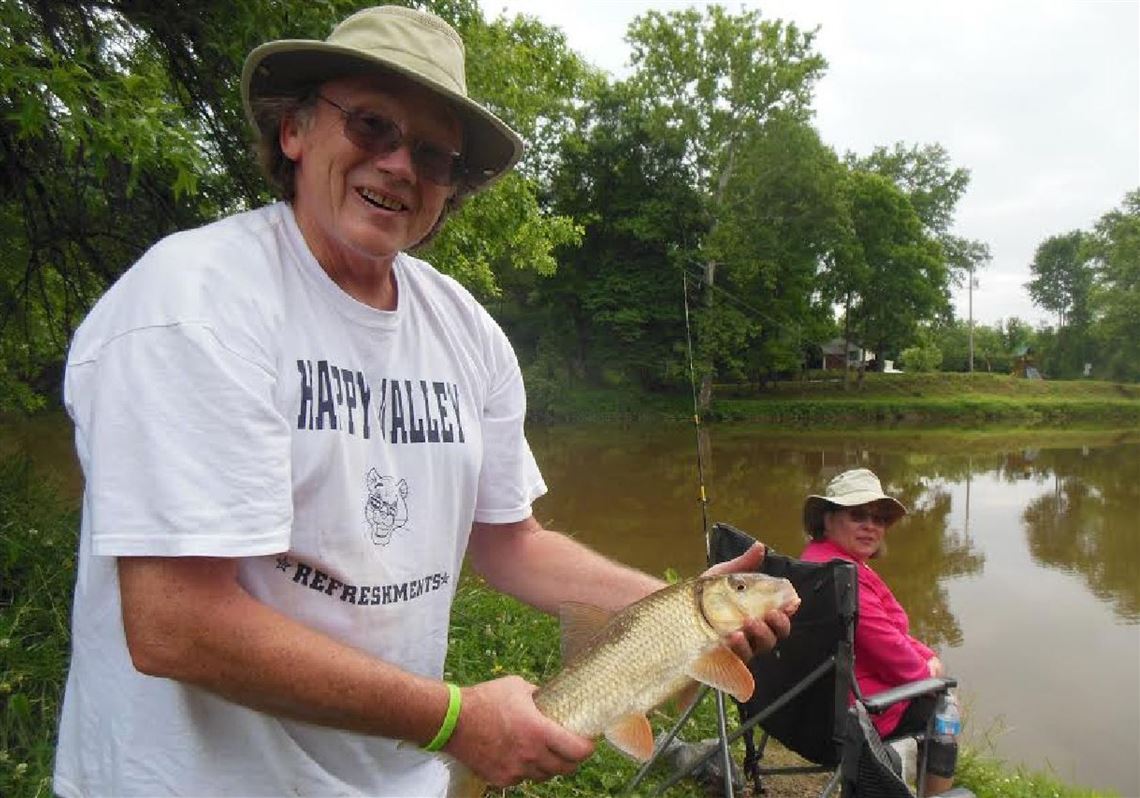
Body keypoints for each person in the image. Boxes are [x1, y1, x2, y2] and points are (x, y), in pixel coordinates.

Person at [52, 7, 793, 797]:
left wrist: (690, 611)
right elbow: (175, 625)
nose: (400, 164)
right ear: (295, 130)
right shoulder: (194, 304)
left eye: (434, 154)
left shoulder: (465, 332)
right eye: (371, 125)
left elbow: (511, 545)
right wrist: (454, 720)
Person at [800, 468, 959, 796]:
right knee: (946, 705)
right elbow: (899, 661)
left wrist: (925, 653)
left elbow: (885, 632)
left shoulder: (816, 562)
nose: (871, 525)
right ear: (828, 519)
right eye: (858, 515)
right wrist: (929, 668)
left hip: (809, 707)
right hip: (854, 718)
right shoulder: (847, 580)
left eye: (879, 518)